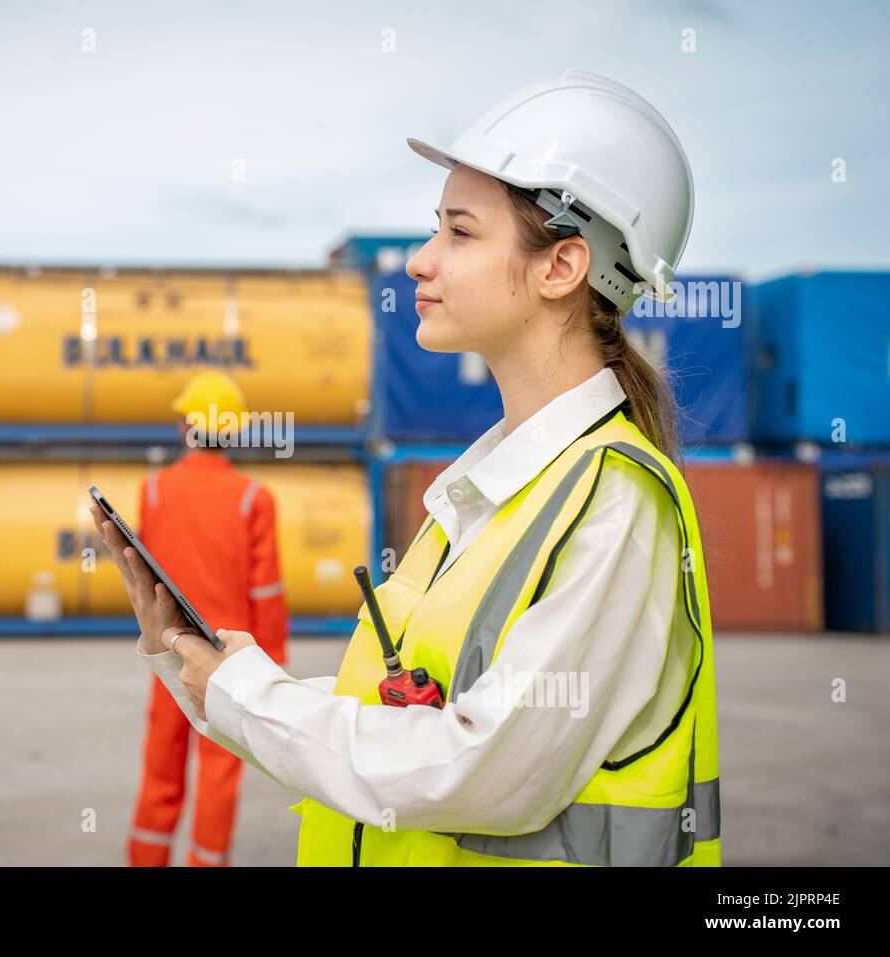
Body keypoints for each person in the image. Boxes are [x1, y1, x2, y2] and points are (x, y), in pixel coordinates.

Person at [92, 70, 720, 867]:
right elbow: (390, 719)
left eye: (459, 233)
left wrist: (247, 694)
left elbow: (473, 769)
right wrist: (212, 669)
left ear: (561, 268)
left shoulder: (612, 504)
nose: (421, 261)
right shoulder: (489, 493)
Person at [121, 370, 289, 867]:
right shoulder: (253, 498)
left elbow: (145, 581)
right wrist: (273, 665)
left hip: (170, 654)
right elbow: (267, 593)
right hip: (227, 663)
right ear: (233, 430)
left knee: (160, 768)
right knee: (218, 774)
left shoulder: (153, 492)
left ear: (183, 425)